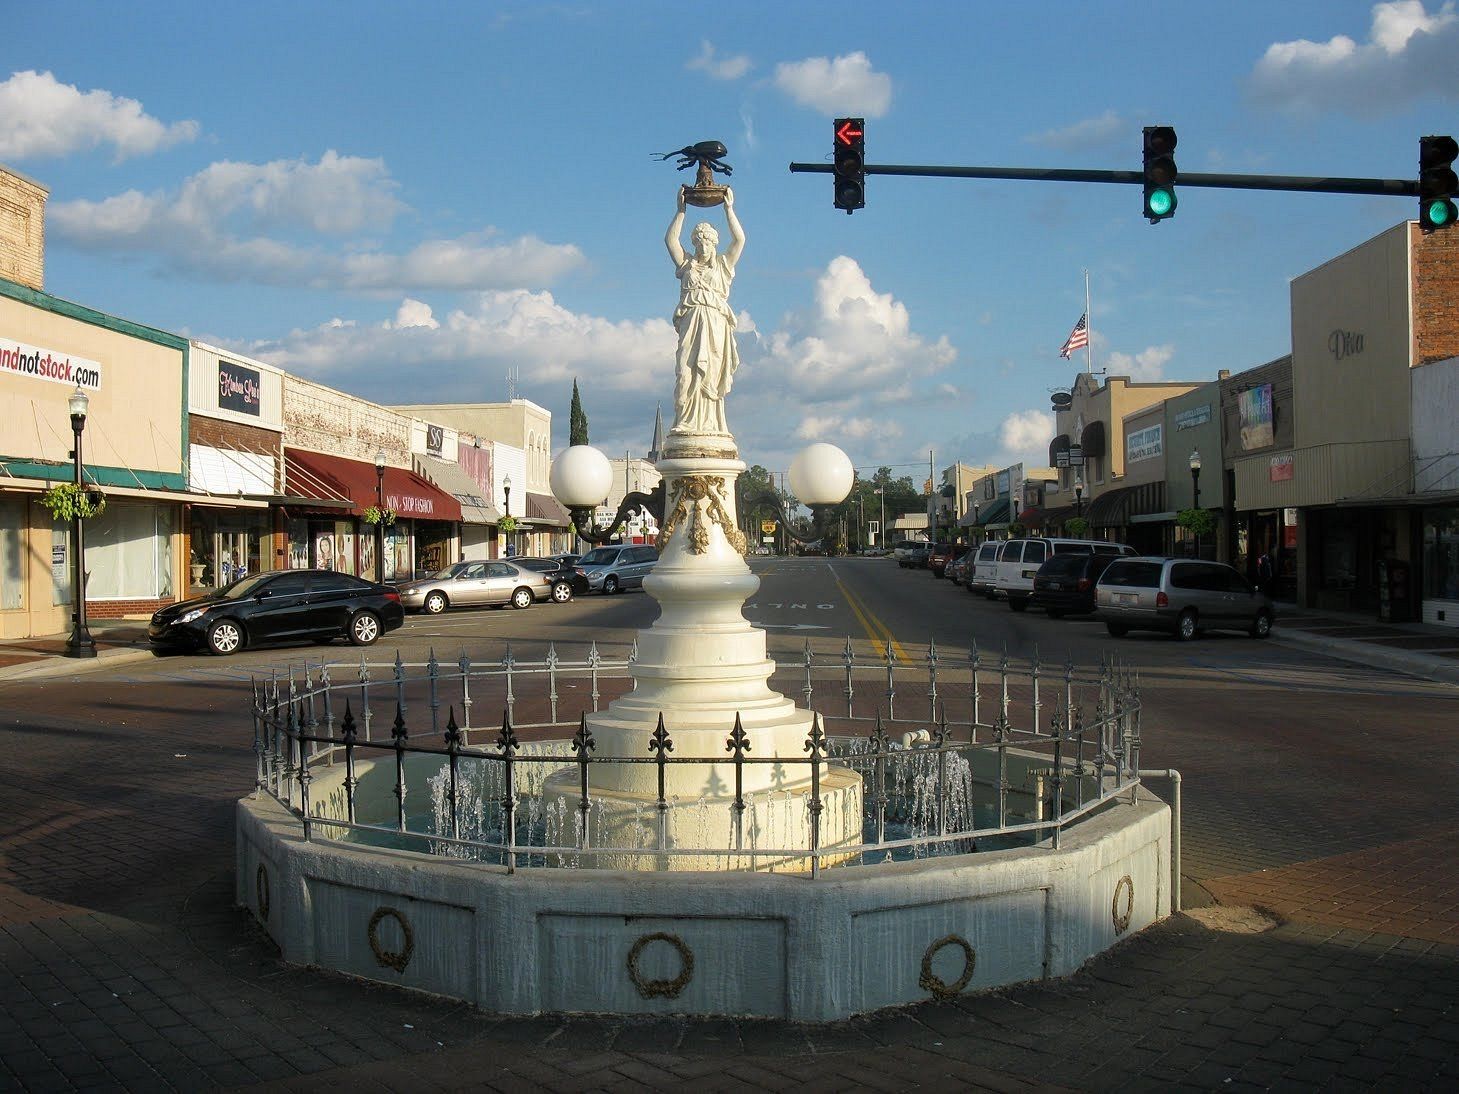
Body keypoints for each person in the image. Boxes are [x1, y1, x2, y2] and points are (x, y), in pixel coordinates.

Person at [665, 186, 745, 435]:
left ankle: (711, 425)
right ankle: (685, 421)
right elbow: (670, 241)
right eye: (699, 242)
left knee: (710, 374)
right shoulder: (687, 264)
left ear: (714, 244)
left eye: (708, 242)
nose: (703, 247)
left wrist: (728, 209)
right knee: (685, 372)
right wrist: (680, 212)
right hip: (691, 322)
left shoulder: (723, 265)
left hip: (714, 324)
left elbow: (740, 240)